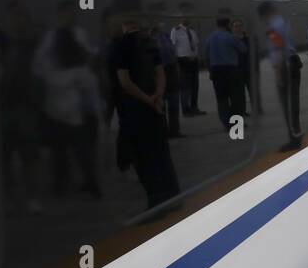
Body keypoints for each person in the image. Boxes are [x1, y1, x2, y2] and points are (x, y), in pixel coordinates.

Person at [111, 12, 179, 209]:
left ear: (124, 23)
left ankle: (157, 202)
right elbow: (161, 73)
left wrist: (146, 99)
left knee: (143, 157)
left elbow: (124, 81)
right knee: (161, 153)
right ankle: (173, 198)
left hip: (136, 109)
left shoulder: (121, 45)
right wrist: (157, 95)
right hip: (156, 107)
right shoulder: (150, 42)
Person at [38, 24, 101, 198]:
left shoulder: (50, 65)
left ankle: (64, 185)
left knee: (62, 154)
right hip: (73, 116)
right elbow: (88, 90)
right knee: (79, 153)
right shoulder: (76, 68)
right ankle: (88, 184)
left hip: (59, 116)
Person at [259, 1, 302, 152]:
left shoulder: (273, 28)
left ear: (266, 14)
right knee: (293, 102)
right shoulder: (283, 23)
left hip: (285, 66)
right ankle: (297, 134)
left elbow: (278, 50)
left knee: (287, 104)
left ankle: (294, 138)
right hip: (294, 62)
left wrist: (278, 75)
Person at [206, 17, 247, 131]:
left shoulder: (210, 38)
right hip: (231, 70)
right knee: (235, 98)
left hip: (216, 71)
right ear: (227, 25)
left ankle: (226, 124)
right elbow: (243, 49)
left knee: (221, 98)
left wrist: (210, 70)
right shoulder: (230, 37)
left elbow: (206, 55)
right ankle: (236, 123)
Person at [172, 16, 203, 117]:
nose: (186, 19)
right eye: (184, 17)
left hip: (194, 60)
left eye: (188, 17)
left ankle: (194, 108)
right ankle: (186, 110)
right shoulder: (175, 30)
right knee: (185, 87)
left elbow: (196, 44)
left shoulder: (192, 30)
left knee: (195, 86)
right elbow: (173, 46)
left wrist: (196, 57)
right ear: (180, 19)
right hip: (183, 60)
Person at [231, 20, 255, 115]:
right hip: (237, 69)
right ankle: (242, 111)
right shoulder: (231, 40)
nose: (238, 28)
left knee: (252, 90)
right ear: (232, 28)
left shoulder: (248, 39)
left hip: (248, 68)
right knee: (240, 93)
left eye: (240, 26)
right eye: (236, 26)